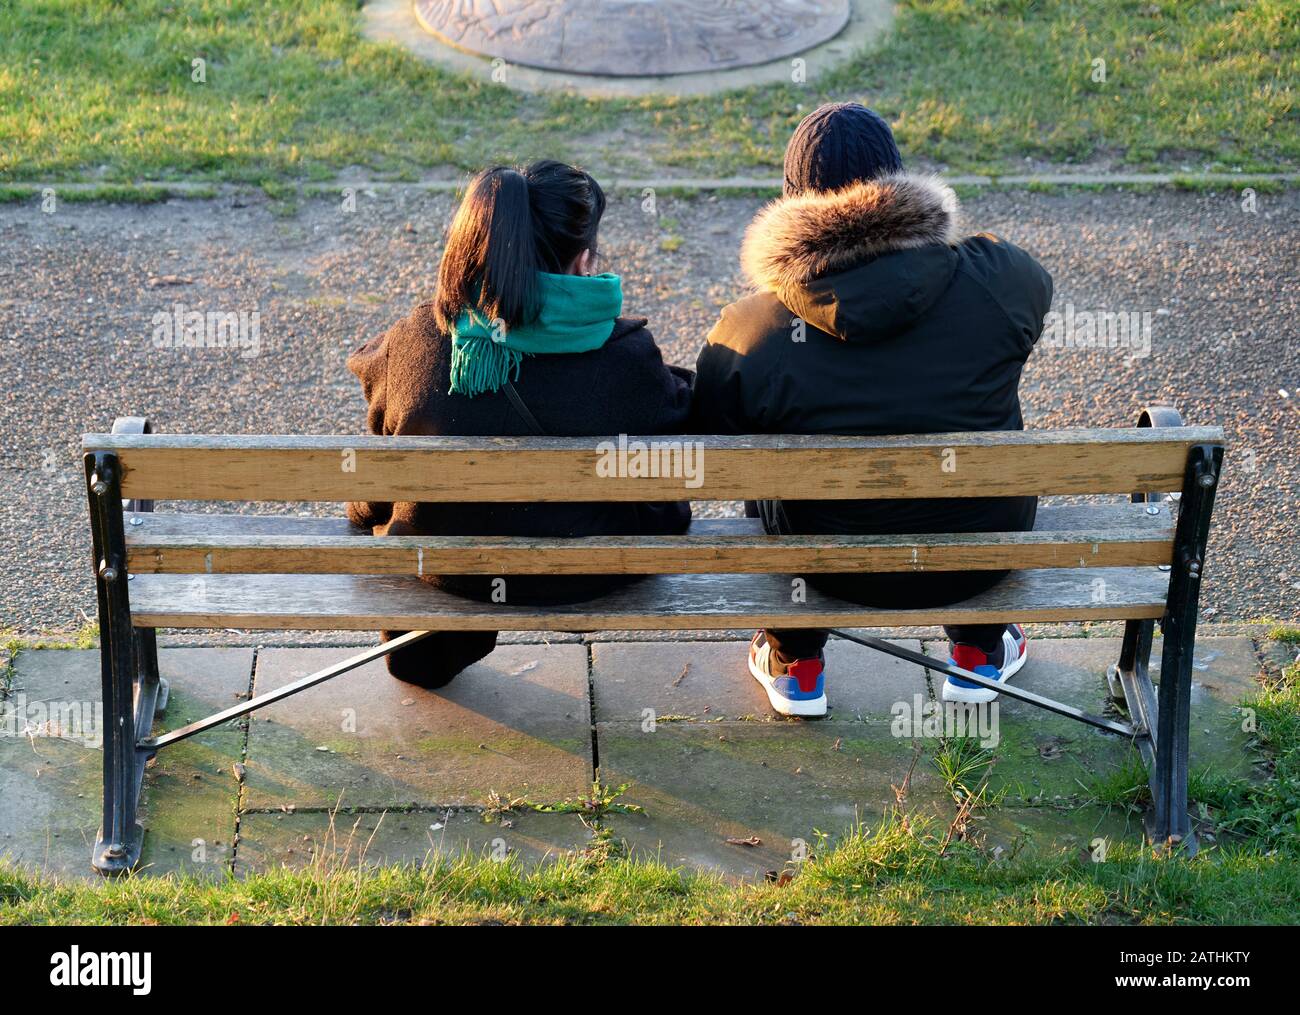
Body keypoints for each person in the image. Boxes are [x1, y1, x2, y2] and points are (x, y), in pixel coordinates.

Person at [692, 103, 1053, 717]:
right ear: (898, 184)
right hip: (973, 559)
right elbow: (1028, 296)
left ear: (791, 204)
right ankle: (977, 655)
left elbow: (710, 432)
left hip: (829, 568)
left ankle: (797, 663)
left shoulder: (756, 330)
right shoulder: (1002, 280)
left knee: (765, 467)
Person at [346, 160, 692, 687]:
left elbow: (379, 431)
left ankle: (427, 646)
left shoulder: (420, 339)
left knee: (394, 506)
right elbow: (681, 424)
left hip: (454, 572)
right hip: (591, 573)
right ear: (583, 258)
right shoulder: (627, 359)